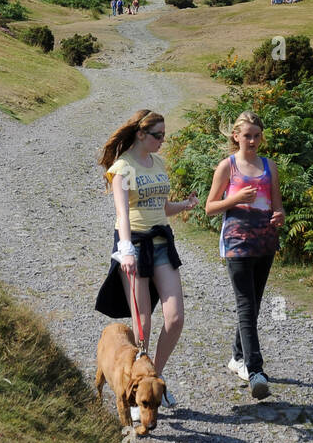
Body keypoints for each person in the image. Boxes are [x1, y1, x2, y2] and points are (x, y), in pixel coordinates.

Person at [96, 110, 197, 407]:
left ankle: (154, 380)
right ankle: (137, 388)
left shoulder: (158, 162)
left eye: (165, 135)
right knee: (142, 325)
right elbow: (123, 214)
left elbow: (161, 207)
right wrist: (125, 250)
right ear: (141, 134)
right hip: (135, 244)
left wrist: (185, 205)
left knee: (175, 317)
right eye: (157, 135)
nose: (162, 141)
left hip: (162, 241)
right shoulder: (122, 168)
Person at [205, 111, 285, 400]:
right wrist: (236, 199)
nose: (252, 140)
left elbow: (277, 205)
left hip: (264, 243)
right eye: (246, 135)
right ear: (235, 137)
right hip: (237, 243)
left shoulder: (269, 166)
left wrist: (279, 216)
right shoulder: (227, 166)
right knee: (246, 306)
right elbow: (210, 206)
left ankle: (237, 356)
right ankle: (256, 371)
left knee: (253, 304)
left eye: (256, 135)